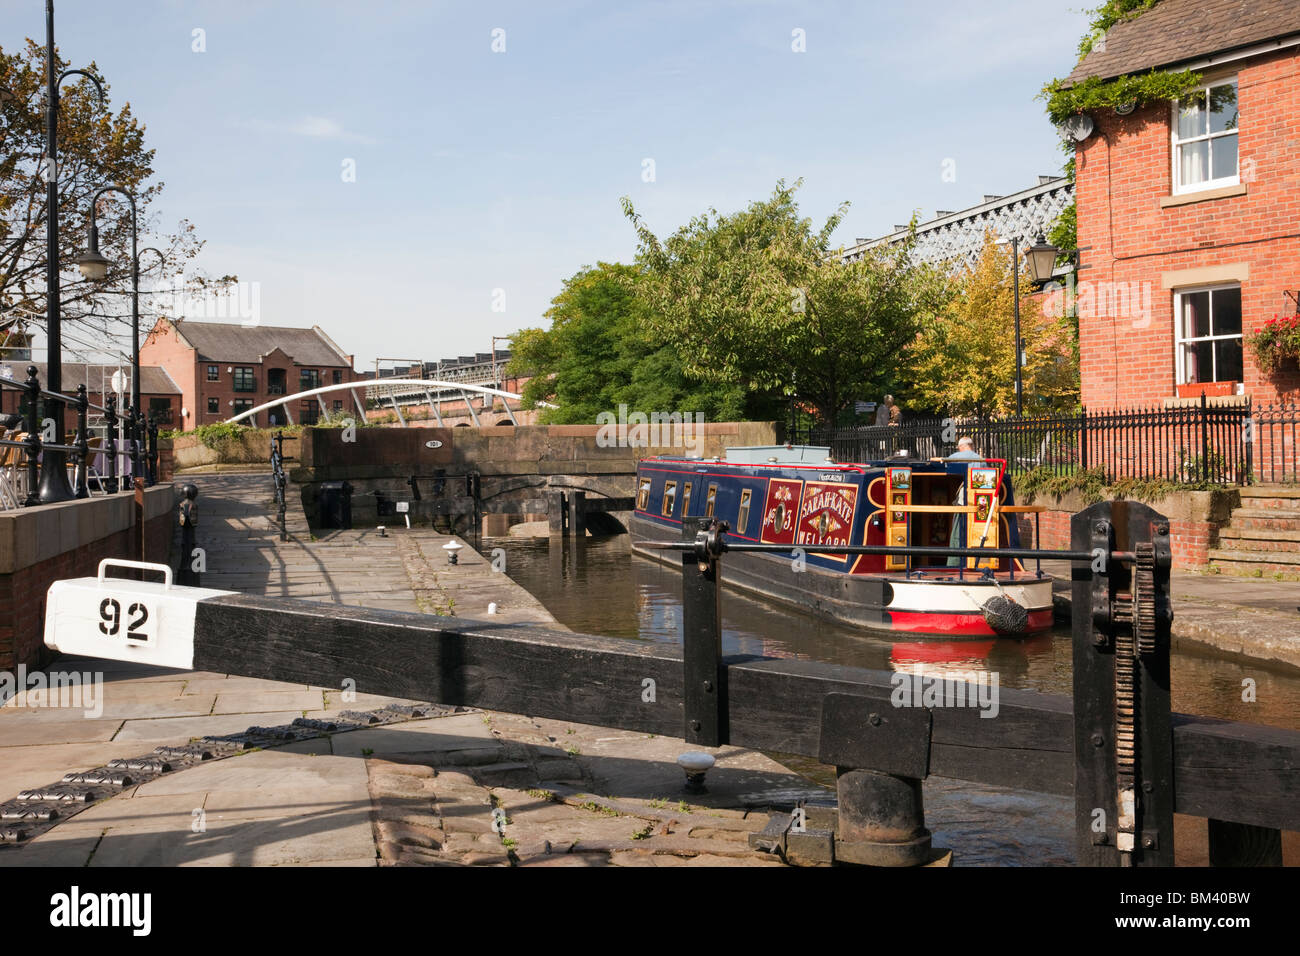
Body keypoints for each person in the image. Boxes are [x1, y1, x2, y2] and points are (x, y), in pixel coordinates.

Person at [946, 438, 984, 566]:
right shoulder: (980, 459)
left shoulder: (953, 457)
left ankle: (955, 562)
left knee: (958, 532)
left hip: (963, 501)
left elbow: (945, 472)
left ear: (960, 447)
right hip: (980, 504)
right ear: (971, 446)